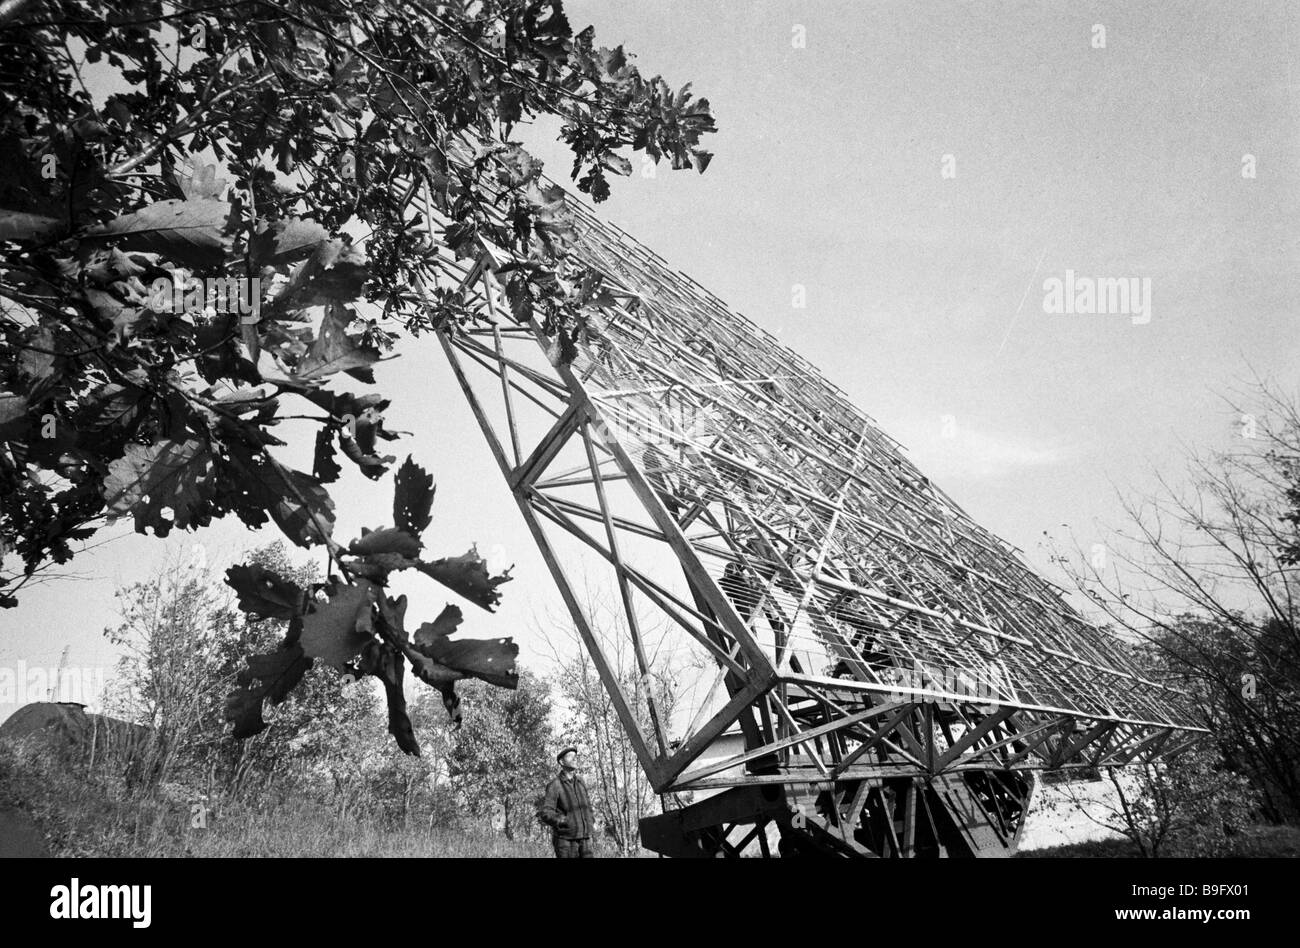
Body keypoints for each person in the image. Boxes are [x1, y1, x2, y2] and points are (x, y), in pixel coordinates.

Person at [539, 746, 595, 858]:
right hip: (566, 842)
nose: (575, 758)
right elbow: (546, 813)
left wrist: (591, 821)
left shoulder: (581, 782)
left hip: (585, 840)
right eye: (570, 756)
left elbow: (587, 806)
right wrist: (563, 820)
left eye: (575, 756)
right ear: (561, 761)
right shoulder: (555, 785)